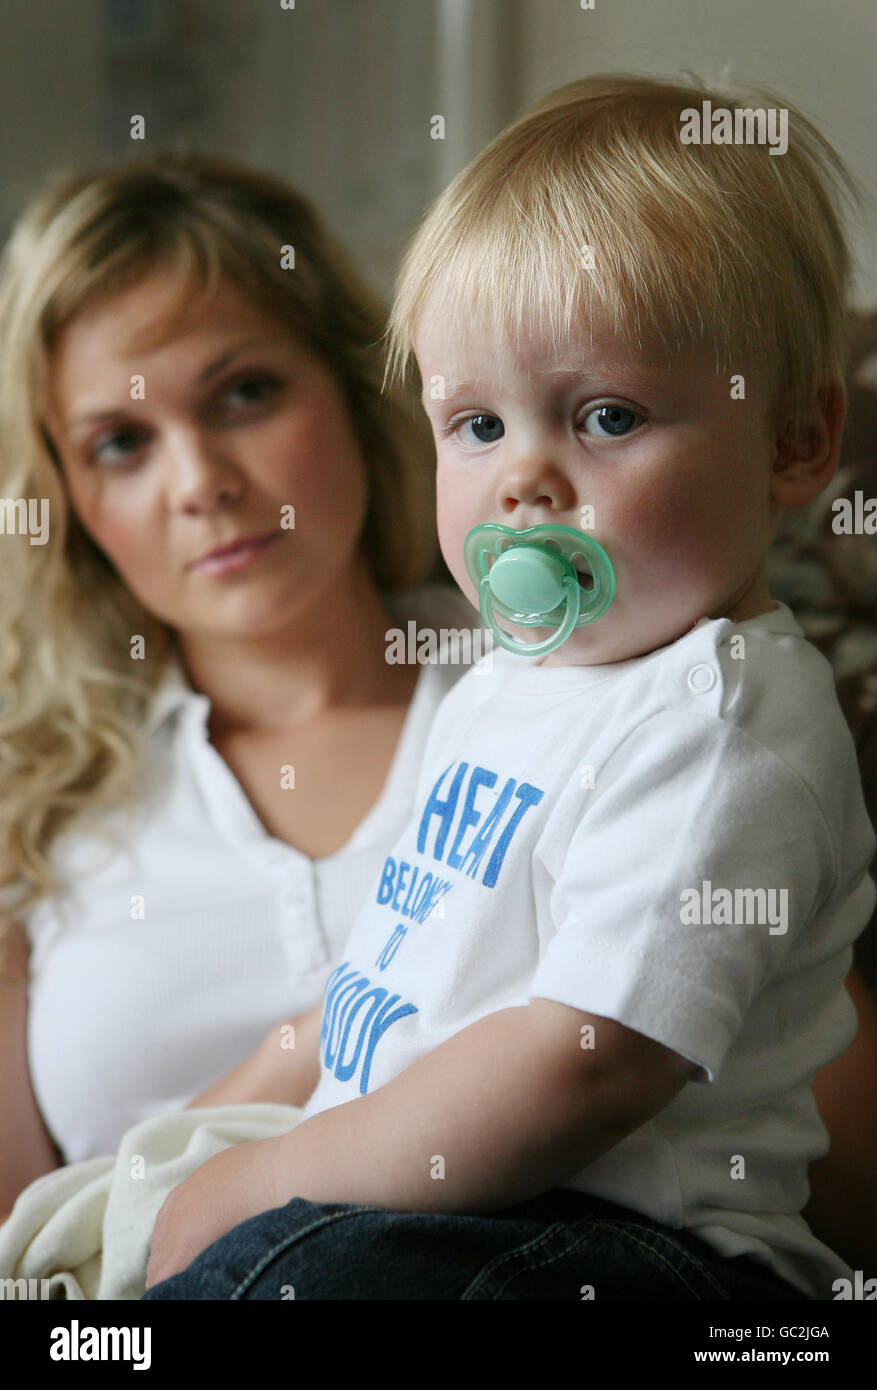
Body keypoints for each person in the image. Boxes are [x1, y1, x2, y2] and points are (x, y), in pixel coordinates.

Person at [142, 73, 877, 1301]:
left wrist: (278, 1180)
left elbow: (583, 1059)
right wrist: (186, 1149)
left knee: (292, 1277)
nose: (525, 480)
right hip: (438, 1209)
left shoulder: (718, 719)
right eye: (476, 426)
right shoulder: (508, 684)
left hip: (630, 1245)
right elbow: (377, 984)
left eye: (604, 414)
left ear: (796, 442)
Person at [0, 151, 478, 1214]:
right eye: (122, 443)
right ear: (71, 500)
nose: (201, 482)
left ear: (353, 392)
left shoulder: (570, 683)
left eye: (246, 392)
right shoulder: (25, 806)